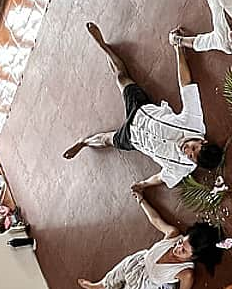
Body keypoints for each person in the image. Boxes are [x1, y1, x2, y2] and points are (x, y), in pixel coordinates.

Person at [63, 22, 223, 190]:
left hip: (133, 138)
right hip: (141, 110)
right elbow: (186, 85)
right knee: (120, 77)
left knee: (106, 140)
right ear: (202, 141)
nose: (187, 151)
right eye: (194, 147)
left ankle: (84, 143)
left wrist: (143, 185)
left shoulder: (182, 168)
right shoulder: (194, 122)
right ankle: (104, 47)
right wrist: (178, 48)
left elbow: (161, 177)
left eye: (191, 156)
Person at [76, 188, 224, 289]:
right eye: (181, 243)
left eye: (183, 251)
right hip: (139, 262)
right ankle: (98, 286)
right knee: (117, 273)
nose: (177, 248)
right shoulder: (173, 234)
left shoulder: (186, 273)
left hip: (145, 285)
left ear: (192, 257)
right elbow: (155, 220)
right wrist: (142, 200)